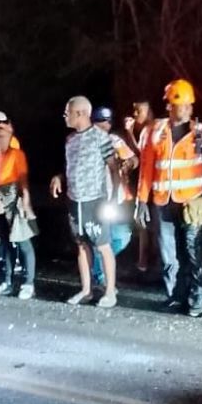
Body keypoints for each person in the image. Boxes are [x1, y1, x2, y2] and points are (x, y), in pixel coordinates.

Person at [136, 79, 202, 318]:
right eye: (180, 106)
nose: (184, 110)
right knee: (169, 255)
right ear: (169, 107)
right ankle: (176, 295)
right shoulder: (154, 132)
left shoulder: (199, 133)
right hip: (163, 202)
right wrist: (142, 200)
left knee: (194, 253)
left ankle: (199, 297)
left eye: (188, 106)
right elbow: (146, 168)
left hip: (191, 202)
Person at [49, 96, 121, 308]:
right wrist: (59, 177)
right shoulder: (70, 140)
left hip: (94, 200)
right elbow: (71, 167)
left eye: (67, 112)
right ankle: (86, 290)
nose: (65, 116)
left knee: (103, 245)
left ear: (79, 113)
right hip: (75, 200)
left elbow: (114, 168)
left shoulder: (101, 138)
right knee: (81, 245)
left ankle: (110, 292)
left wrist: (113, 198)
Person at [0, 119, 37, 299]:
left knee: (23, 242)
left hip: (14, 201)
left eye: (2, 136)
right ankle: (7, 281)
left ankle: (29, 283)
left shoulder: (16, 154)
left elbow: (22, 180)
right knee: (5, 243)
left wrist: (26, 203)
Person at [90, 107, 138, 287]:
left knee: (122, 236)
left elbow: (134, 159)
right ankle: (101, 278)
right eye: (102, 121)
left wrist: (128, 164)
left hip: (115, 197)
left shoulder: (114, 140)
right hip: (95, 197)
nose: (106, 125)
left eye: (108, 121)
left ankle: (99, 267)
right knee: (100, 238)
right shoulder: (86, 142)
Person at [124, 100, 154, 275]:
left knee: (145, 224)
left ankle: (145, 260)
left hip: (153, 184)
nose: (135, 114)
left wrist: (129, 133)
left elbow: (142, 153)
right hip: (141, 182)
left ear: (149, 112)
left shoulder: (153, 129)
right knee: (142, 223)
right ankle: (143, 260)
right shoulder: (143, 130)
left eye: (139, 111)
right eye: (134, 110)